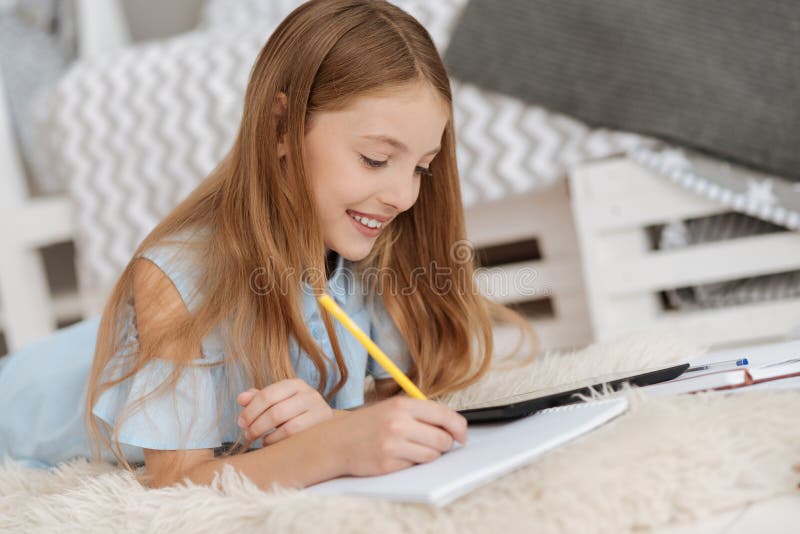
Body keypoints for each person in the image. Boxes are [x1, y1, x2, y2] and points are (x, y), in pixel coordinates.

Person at [0, 0, 537, 490]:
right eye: (375, 159)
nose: (403, 195)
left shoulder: (371, 253)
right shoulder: (173, 278)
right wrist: (332, 446)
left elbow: (388, 400)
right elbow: (175, 482)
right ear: (282, 127)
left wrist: (332, 422)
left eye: (421, 167)